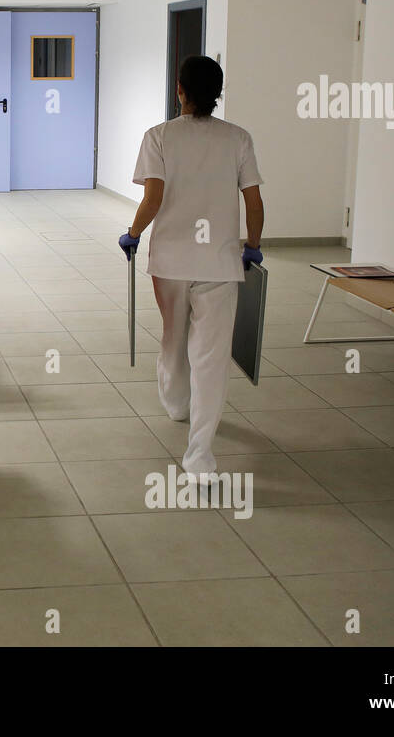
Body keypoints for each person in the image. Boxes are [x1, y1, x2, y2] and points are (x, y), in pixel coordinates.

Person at [118, 55, 264, 482]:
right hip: (220, 263)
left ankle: (177, 403)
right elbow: (253, 201)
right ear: (217, 94)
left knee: (173, 338)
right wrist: (252, 246)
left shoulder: (159, 137)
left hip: (170, 261)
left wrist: (133, 233)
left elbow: (154, 197)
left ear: (179, 90)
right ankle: (200, 458)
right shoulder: (238, 138)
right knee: (211, 357)